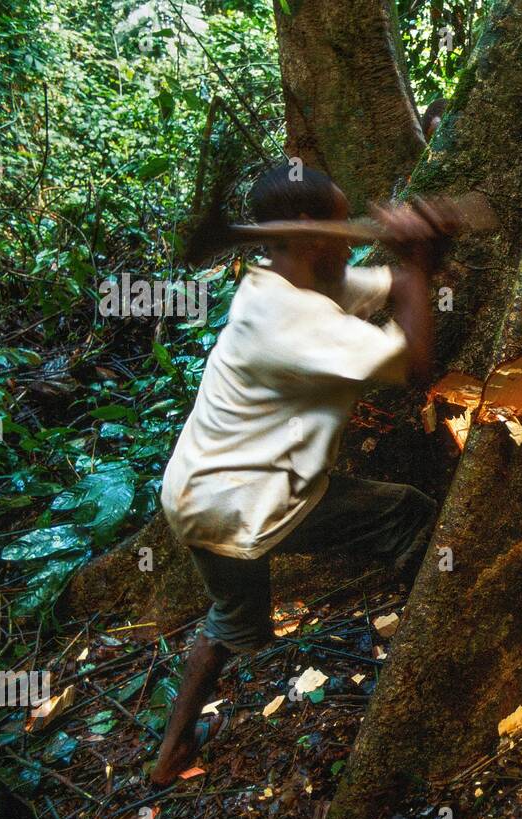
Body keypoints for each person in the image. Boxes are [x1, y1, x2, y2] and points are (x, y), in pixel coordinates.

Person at [148, 163, 456, 785]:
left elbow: (388, 286)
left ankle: (171, 753)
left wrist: (423, 255)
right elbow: (415, 365)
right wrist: (420, 265)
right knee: (408, 516)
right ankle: (434, 674)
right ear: (313, 235)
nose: (351, 239)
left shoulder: (287, 285)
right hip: (242, 498)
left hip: (196, 494)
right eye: (341, 226)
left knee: (232, 623)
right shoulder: (288, 321)